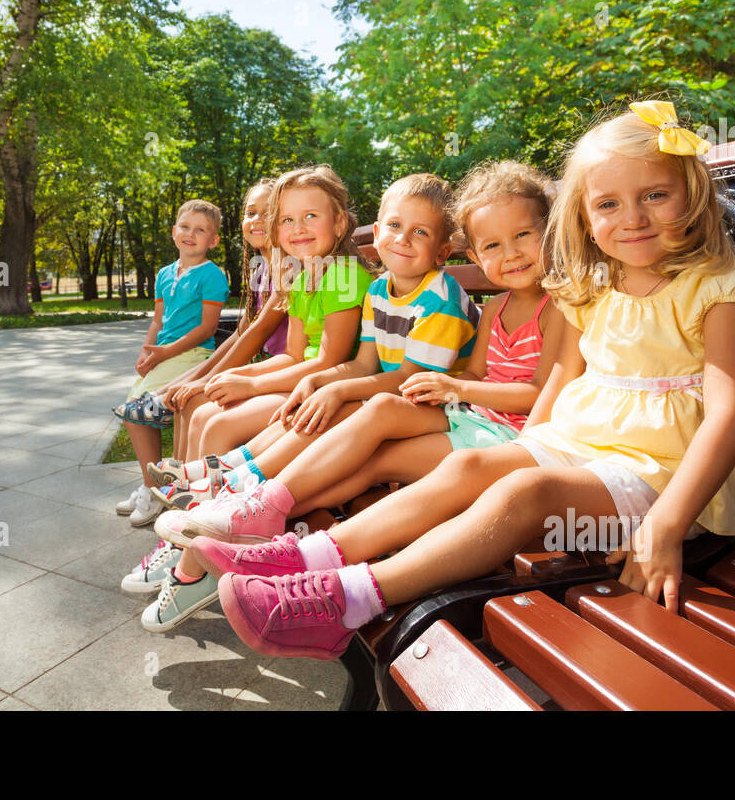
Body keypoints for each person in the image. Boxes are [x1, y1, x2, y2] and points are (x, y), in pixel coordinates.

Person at [214, 100, 735, 659]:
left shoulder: (713, 289)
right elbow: (561, 384)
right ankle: (305, 556)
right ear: (583, 215)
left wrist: (666, 525)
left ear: (690, 195)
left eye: (656, 195)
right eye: (608, 204)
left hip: (670, 480)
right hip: (587, 451)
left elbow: (730, 414)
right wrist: (517, 436)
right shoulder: (596, 286)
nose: (632, 219)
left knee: (521, 495)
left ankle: (345, 600)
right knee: (467, 469)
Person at [136, 174, 480, 630]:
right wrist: (244, 376)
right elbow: (313, 358)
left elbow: (379, 372)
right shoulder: (362, 287)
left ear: (340, 223)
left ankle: (222, 506)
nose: (296, 228)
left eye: (419, 231)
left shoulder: (368, 281)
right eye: (287, 220)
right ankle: (205, 511)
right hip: (382, 396)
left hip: (422, 406)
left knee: (226, 418)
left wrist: (298, 385)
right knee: (205, 408)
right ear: (376, 233)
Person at [181, 161, 559, 570]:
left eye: (523, 235)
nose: (511, 252)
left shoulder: (456, 302)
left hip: (478, 420)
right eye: (396, 226)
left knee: (367, 419)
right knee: (347, 410)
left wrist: (340, 386)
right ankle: (252, 506)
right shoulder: (386, 291)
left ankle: (250, 495)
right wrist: (325, 383)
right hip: (460, 409)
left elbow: (444, 381)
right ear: (377, 234)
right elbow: (373, 365)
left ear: (444, 251)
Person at [152, 179, 290, 478]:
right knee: (184, 397)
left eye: (268, 213)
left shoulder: (288, 268)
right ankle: (176, 483)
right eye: (251, 212)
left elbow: (257, 334)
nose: (256, 220)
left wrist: (208, 381)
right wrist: (188, 379)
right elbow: (242, 332)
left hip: (283, 372)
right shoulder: (261, 266)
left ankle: (191, 494)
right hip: (271, 370)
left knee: (198, 400)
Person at [112, 199, 227, 525]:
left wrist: (166, 352)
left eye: (201, 230)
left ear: (213, 240)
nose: (191, 234)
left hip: (193, 355)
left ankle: (154, 489)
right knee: (133, 411)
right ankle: (154, 484)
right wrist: (147, 351)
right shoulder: (164, 274)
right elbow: (158, 321)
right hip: (164, 356)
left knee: (136, 410)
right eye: (185, 227)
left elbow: (207, 327)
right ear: (174, 231)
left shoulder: (212, 276)